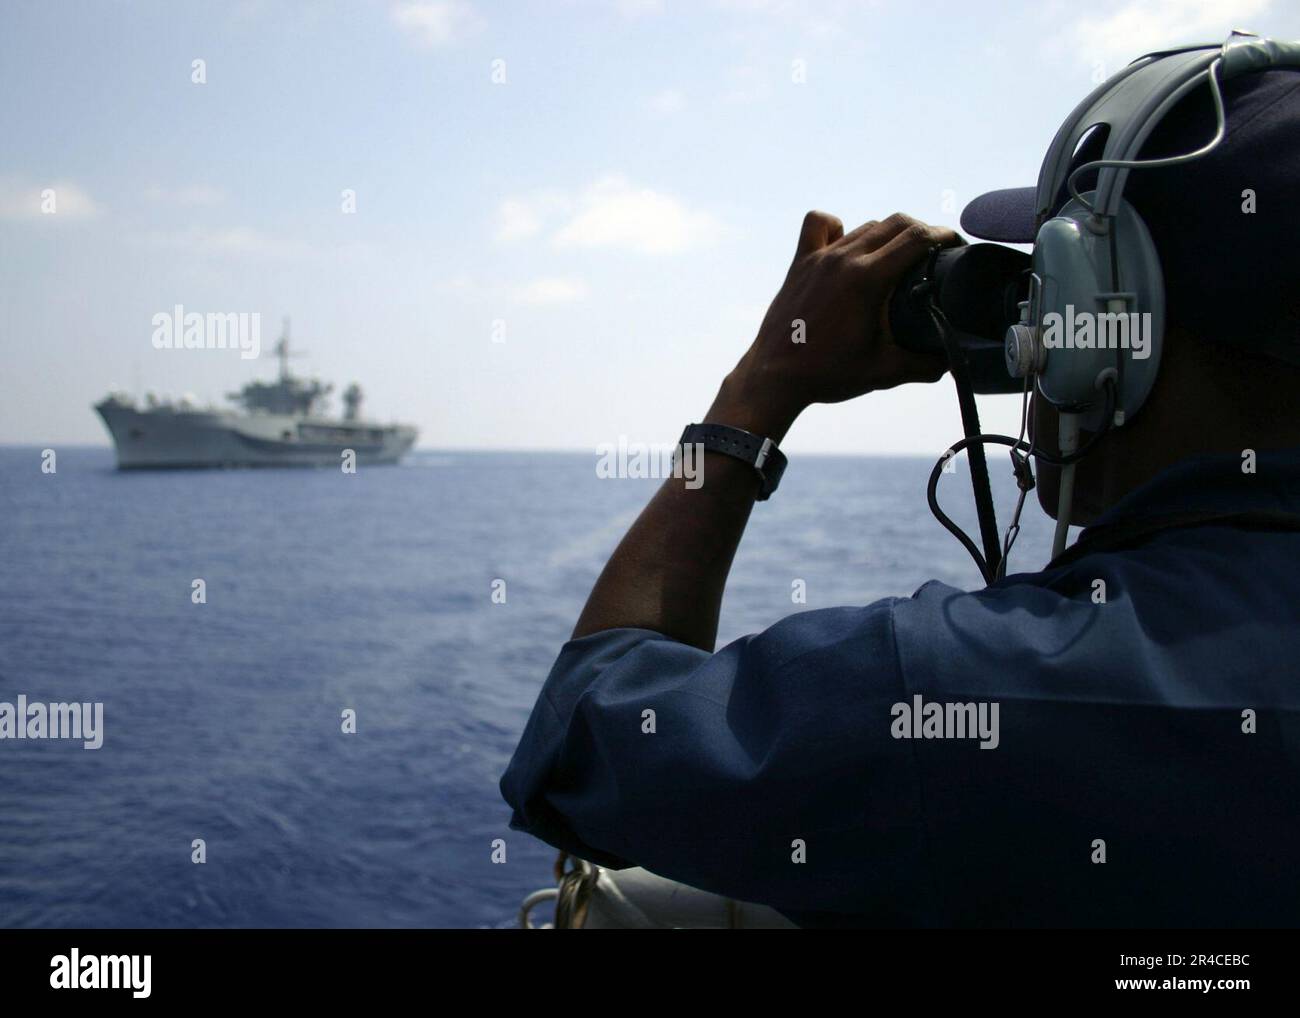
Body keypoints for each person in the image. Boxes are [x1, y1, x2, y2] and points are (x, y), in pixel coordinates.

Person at [500, 47, 1300, 927]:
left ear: (1100, 317)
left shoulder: (973, 690)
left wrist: (761, 387)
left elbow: (588, 739)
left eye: (1039, 290)